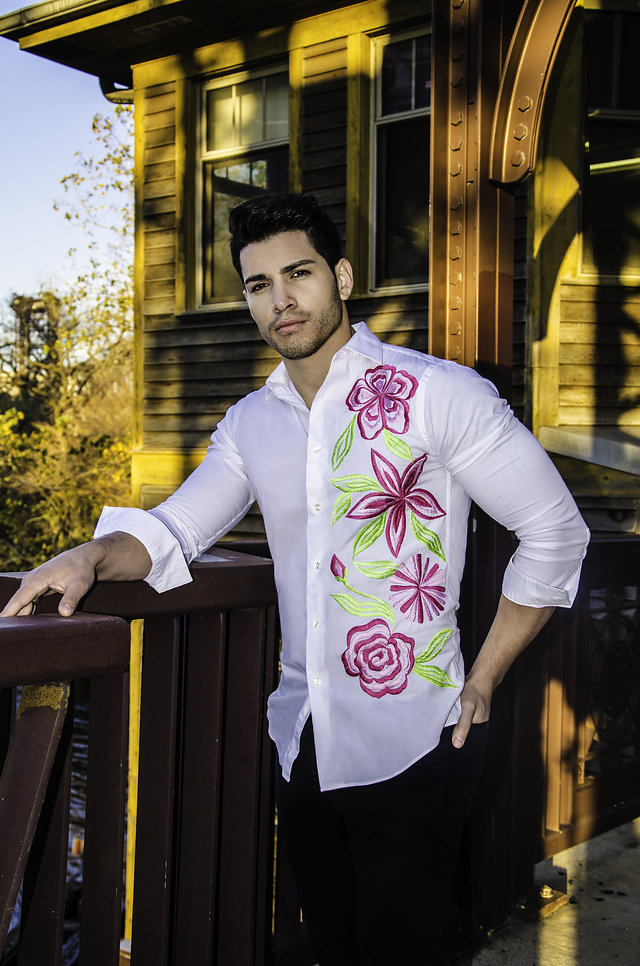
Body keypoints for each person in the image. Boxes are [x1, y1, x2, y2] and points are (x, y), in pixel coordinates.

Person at [1, 194, 590, 965]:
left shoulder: (436, 392)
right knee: (331, 947)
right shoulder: (252, 422)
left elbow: (555, 531)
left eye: (299, 273)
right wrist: (89, 556)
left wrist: (484, 676)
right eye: (258, 284)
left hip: (418, 738)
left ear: (340, 277)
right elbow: (176, 529)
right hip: (303, 737)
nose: (280, 298)